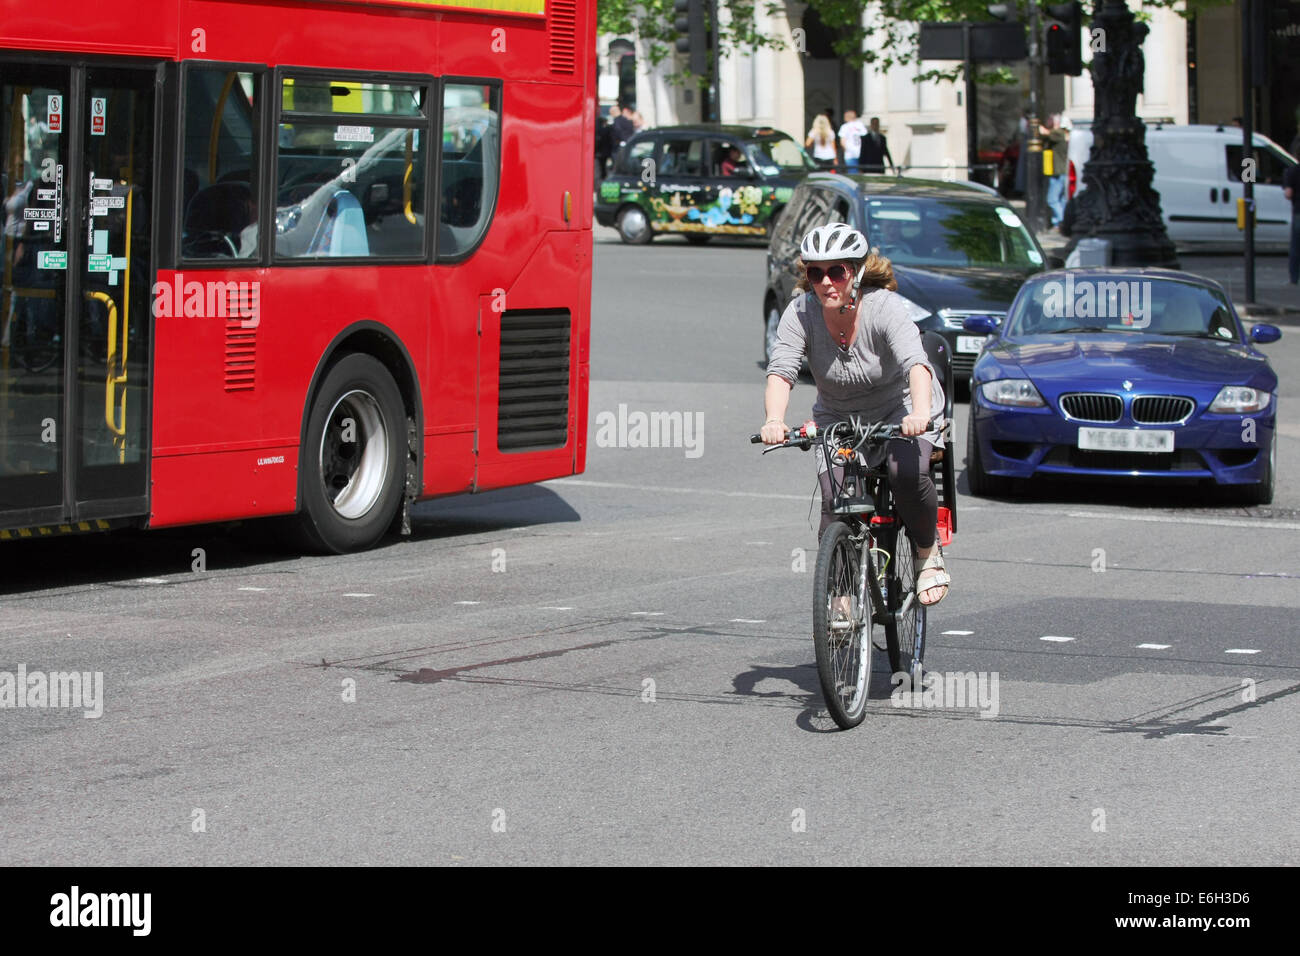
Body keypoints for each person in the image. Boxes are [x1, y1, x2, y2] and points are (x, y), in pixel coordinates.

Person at [761, 222, 950, 606]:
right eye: (816, 273)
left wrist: (918, 415)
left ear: (857, 273)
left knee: (905, 473)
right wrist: (774, 420)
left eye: (837, 271)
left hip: (901, 409)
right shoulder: (800, 313)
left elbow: (916, 363)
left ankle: (927, 553)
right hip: (840, 420)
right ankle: (843, 592)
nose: (826, 282)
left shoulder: (884, 307)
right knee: (835, 502)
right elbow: (781, 371)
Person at [1041, 114, 1069, 228]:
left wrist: (1038, 127)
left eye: (1049, 120)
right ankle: (1058, 222)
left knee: (1052, 199)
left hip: (1058, 172)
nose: (1047, 122)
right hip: (1058, 171)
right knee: (1060, 199)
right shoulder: (1060, 134)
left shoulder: (1058, 133)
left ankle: (1061, 221)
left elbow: (1045, 133)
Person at [1284, 160, 1300, 285]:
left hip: (1298, 211)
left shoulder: (1292, 171)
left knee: (1296, 246)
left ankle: (1294, 278)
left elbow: (1288, 193)